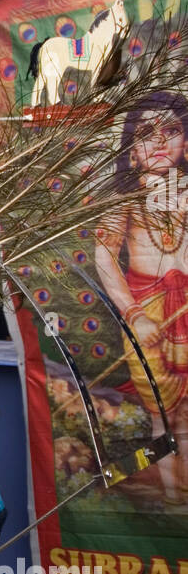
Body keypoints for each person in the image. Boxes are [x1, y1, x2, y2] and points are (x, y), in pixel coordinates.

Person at [95, 93, 188, 501]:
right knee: (163, 419)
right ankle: (169, 499)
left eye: (172, 130)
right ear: (131, 152)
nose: (161, 141)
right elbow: (103, 257)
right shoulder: (126, 199)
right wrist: (134, 315)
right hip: (147, 318)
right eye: (147, 134)